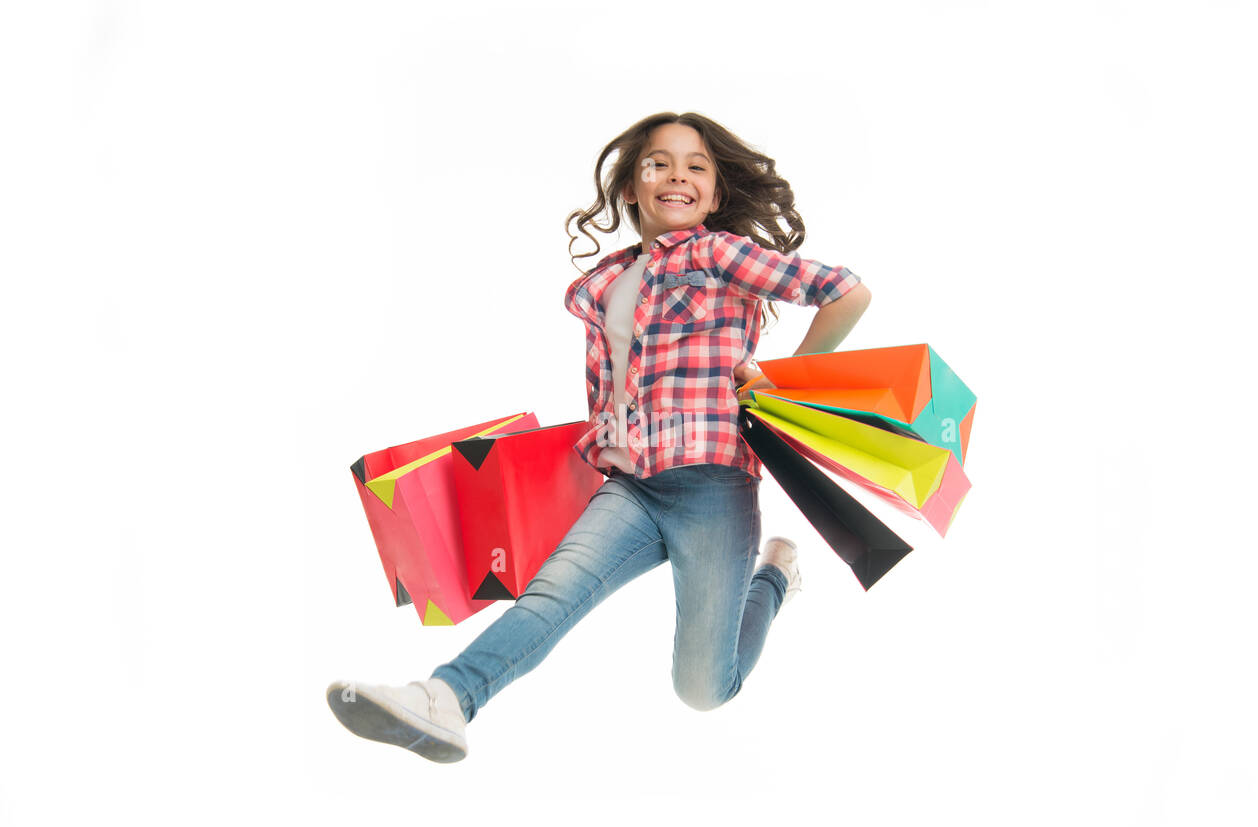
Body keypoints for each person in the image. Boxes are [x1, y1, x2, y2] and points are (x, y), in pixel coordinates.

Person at [327, 112, 872, 763]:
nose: (677, 176)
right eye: (658, 164)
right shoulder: (608, 283)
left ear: (716, 194)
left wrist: (779, 381)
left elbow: (846, 293)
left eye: (695, 166)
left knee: (701, 689)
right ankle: (445, 699)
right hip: (632, 488)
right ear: (632, 189)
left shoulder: (719, 254)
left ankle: (775, 575)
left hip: (713, 487)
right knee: (553, 594)